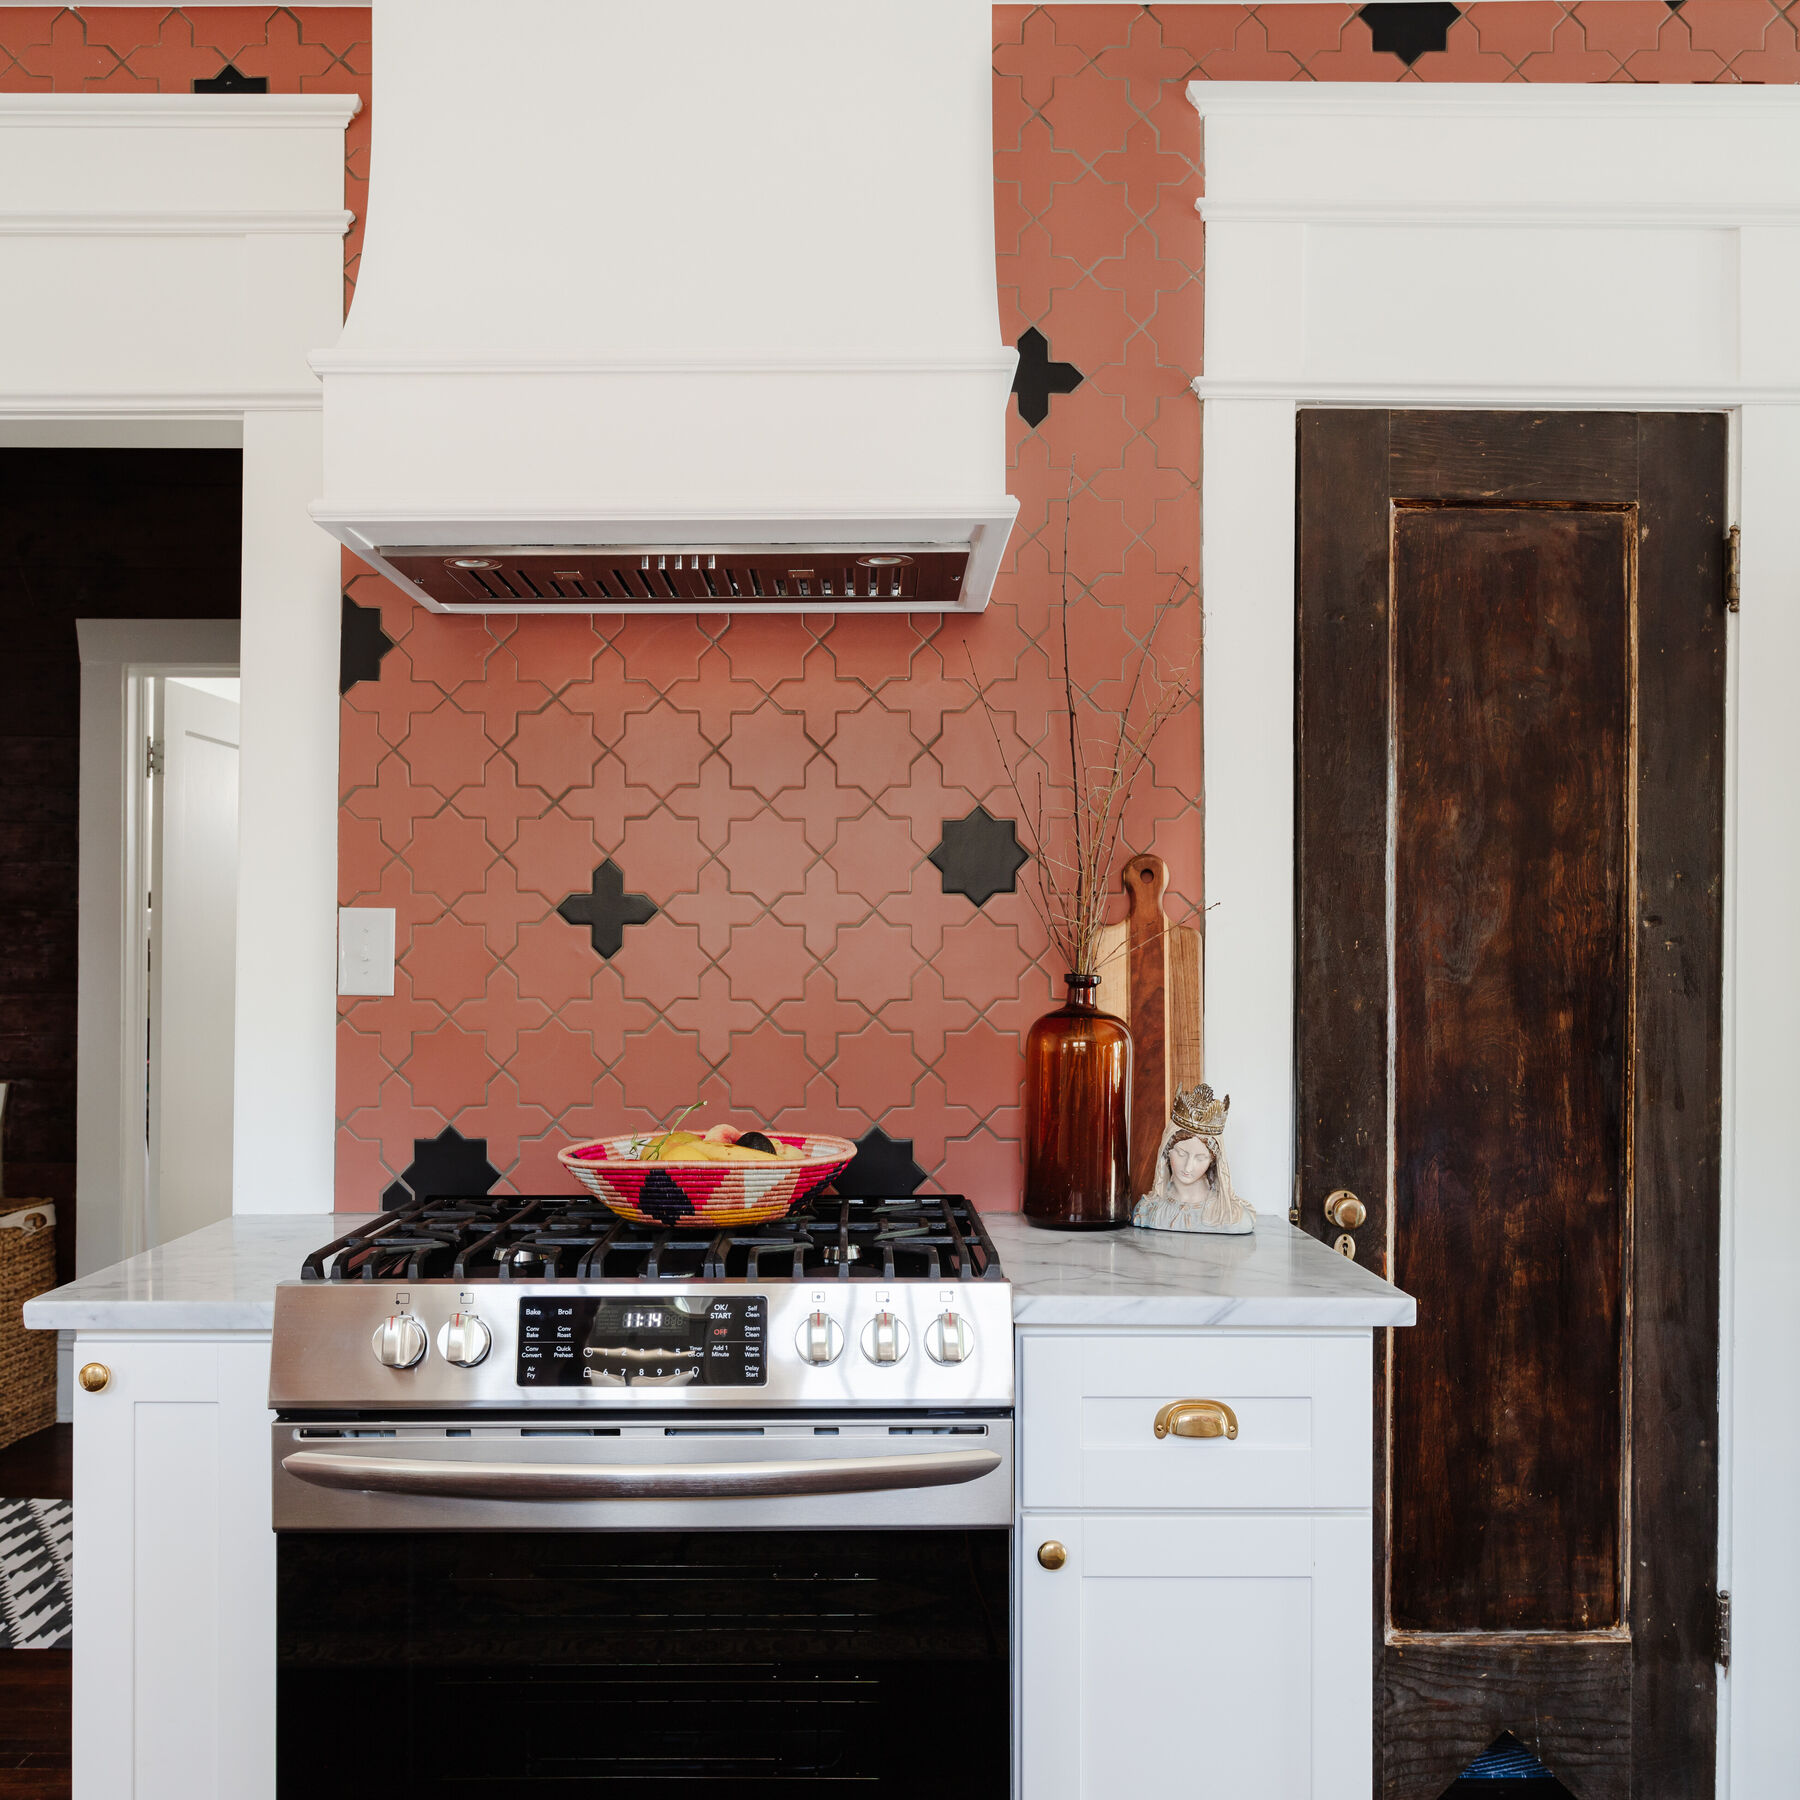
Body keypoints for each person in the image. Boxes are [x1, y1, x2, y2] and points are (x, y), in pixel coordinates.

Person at [1133, 1083, 1254, 1235]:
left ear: (1213, 1161)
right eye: (1181, 1153)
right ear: (1167, 1151)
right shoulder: (1147, 1210)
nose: (1188, 1167)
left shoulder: (1232, 1215)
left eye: (1201, 1158)